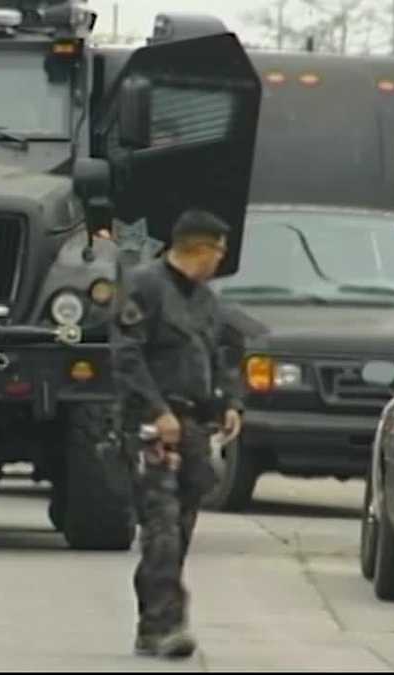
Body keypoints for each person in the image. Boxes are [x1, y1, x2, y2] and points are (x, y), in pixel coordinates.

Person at [112, 209, 244, 659]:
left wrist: (228, 404)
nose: (220, 261)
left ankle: (152, 616)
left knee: (181, 527)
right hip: (152, 427)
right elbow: (127, 356)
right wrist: (157, 409)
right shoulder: (146, 287)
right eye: (218, 251)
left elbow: (222, 352)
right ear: (198, 248)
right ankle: (164, 624)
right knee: (162, 525)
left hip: (192, 426)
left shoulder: (206, 300)